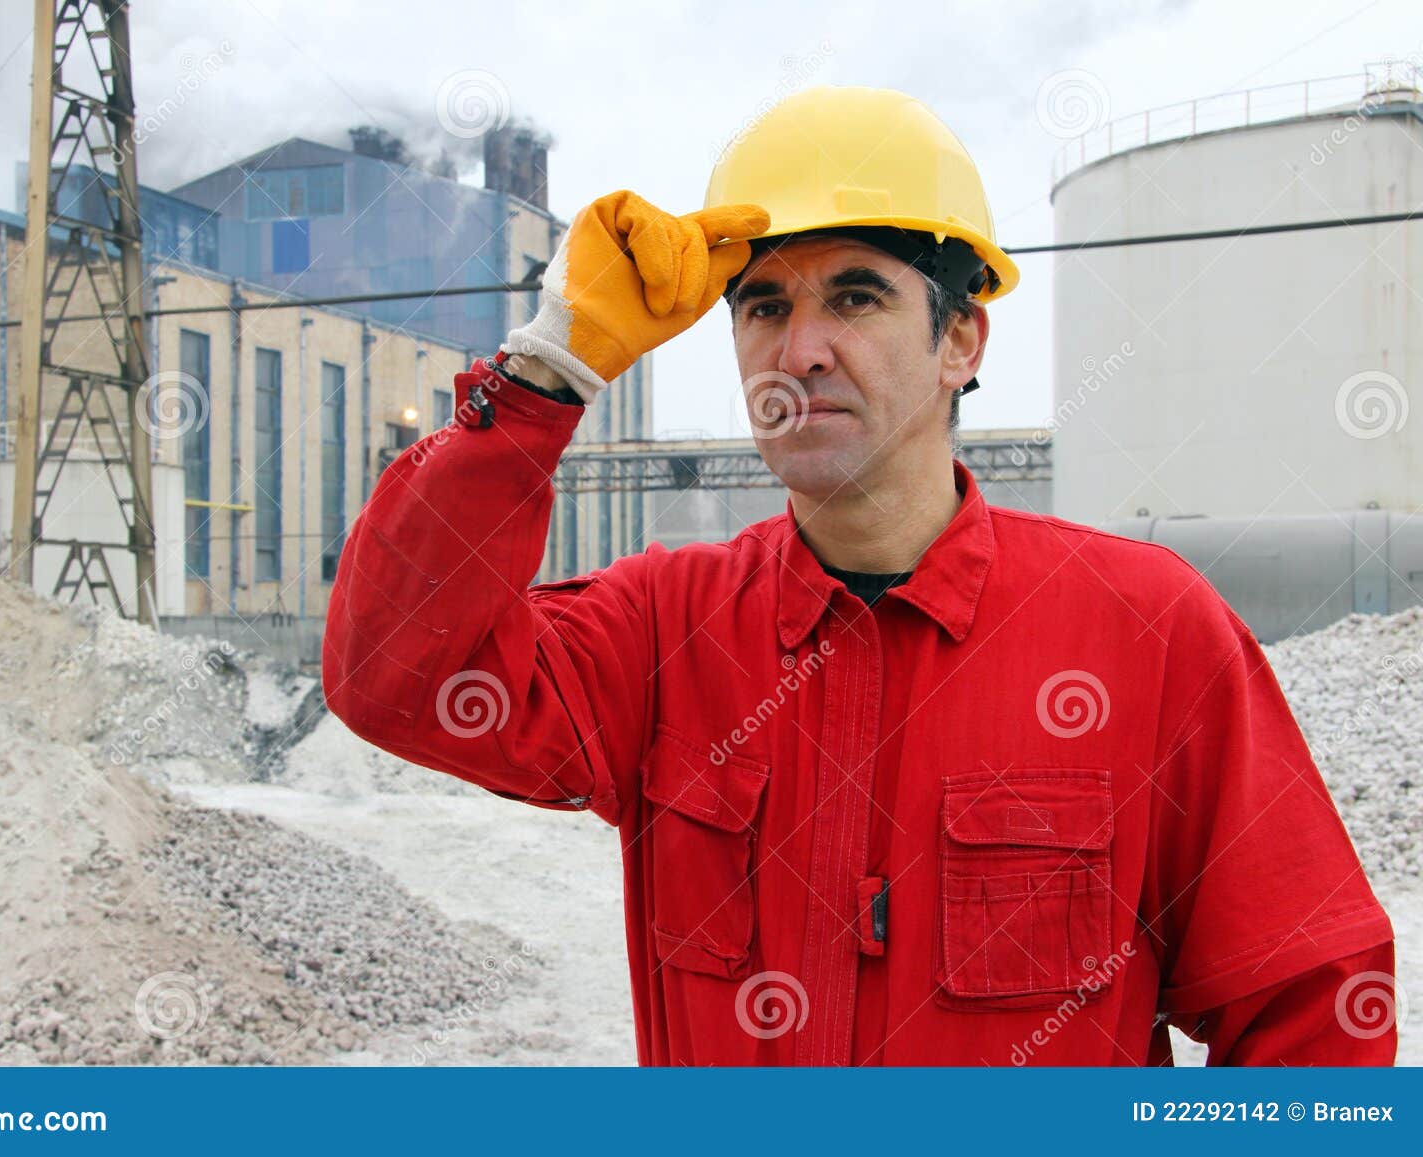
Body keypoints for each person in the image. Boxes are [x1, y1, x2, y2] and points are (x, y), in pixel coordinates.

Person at [322, 85, 1398, 1065]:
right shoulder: (664, 629)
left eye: (855, 297)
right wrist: (544, 369)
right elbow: (396, 676)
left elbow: (1308, 1003)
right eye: (763, 307)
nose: (800, 350)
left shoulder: (1143, 628)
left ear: (959, 339)